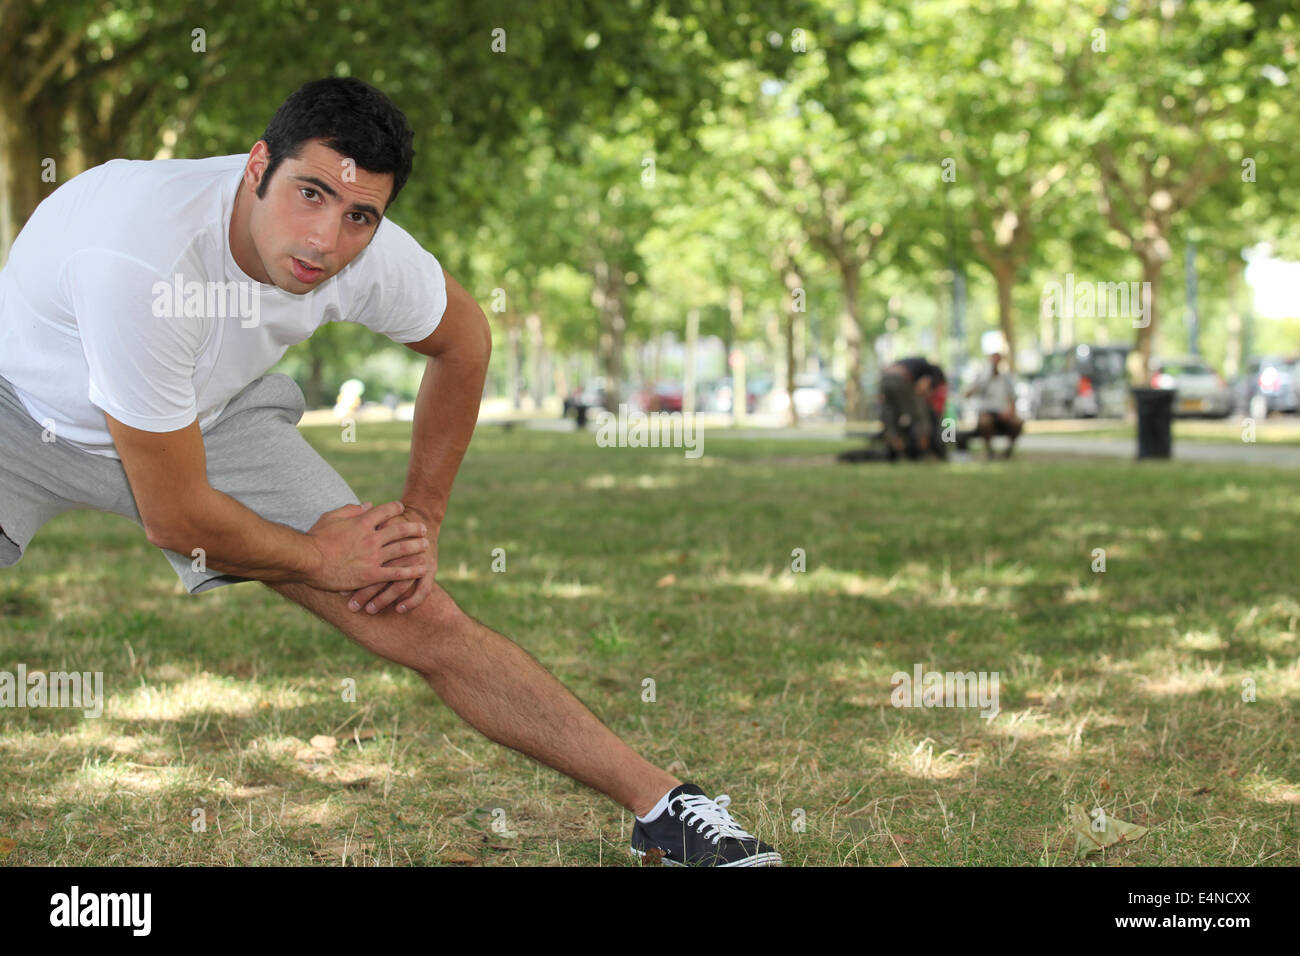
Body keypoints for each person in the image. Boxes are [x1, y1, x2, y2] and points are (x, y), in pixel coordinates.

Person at [0, 77, 777, 867]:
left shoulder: (363, 253)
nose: (325, 241)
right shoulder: (142, 254)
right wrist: (320, 558)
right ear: (257, 165)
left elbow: (464, 341)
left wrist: (419, 521)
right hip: (16, 412)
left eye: (359, 215)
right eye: (308, 194)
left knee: (411, 602)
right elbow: (178, 517)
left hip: (209, 420)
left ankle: (666, 810)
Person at [879, 356, 944, 461]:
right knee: (919, 413)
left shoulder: (906, 363)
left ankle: (895, 443)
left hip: (884, 379)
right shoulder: (929, 368)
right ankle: (924, 448)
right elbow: (923, 386)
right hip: (899, 378)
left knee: (890, 414)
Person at [962, 350, 1023, 459]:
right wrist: (980, 384)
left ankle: (1008, 451)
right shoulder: (981, 377)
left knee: (1017, 422)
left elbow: (1012, 398)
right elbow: (966, 394)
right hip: (986, 411)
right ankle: (990, 450)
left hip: (1002, 412)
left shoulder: (1006, 378)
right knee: (985, 422)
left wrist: (1010, 411)